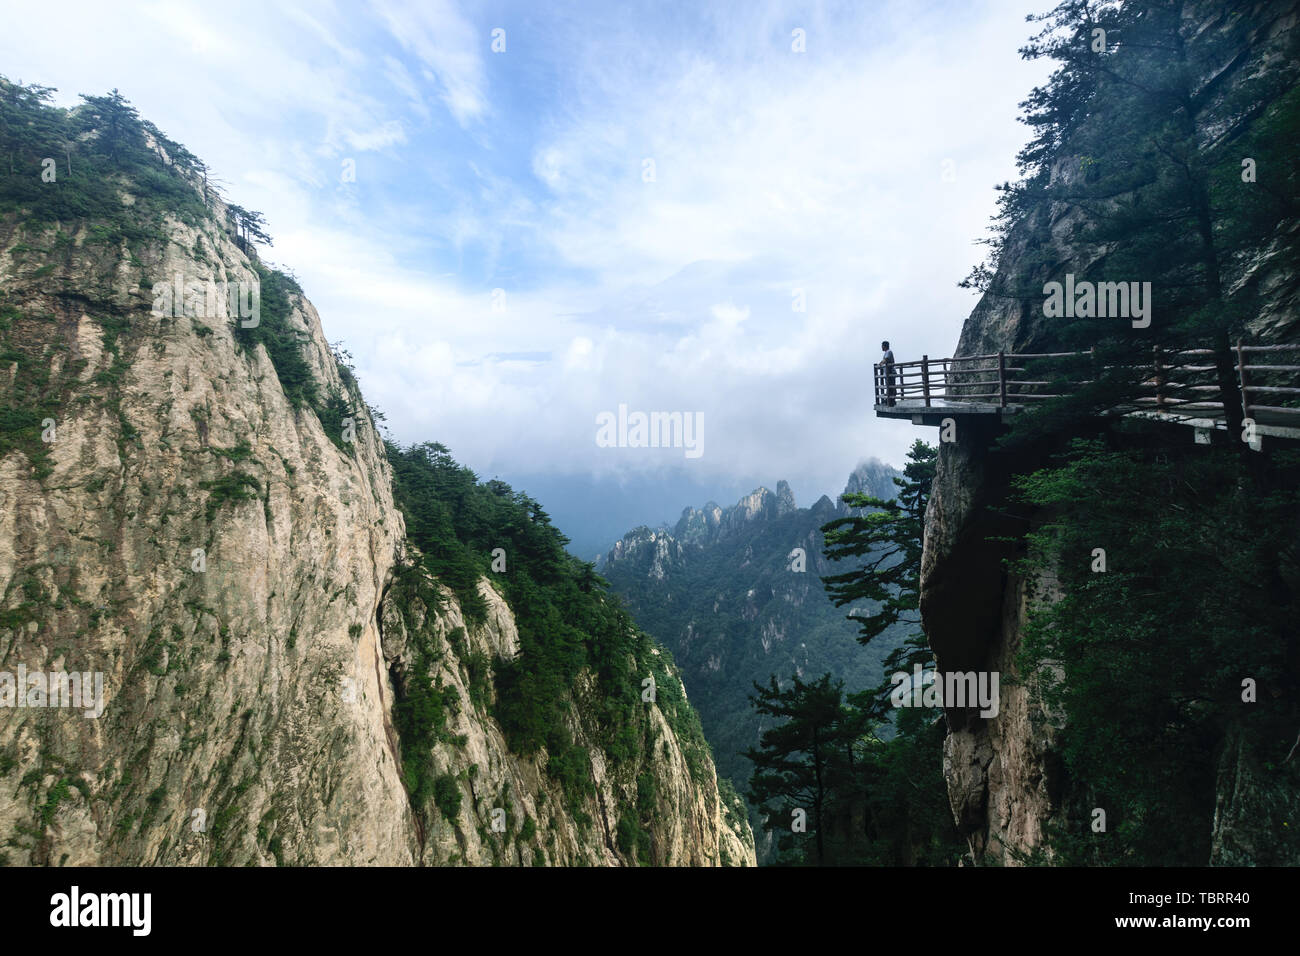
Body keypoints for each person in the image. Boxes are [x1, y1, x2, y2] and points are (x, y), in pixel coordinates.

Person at [881, 340, 896, 406]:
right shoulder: (887, 352)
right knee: (890, 387)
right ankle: (890, 401)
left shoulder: (889, 352)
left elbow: (886, 359)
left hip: (890, 373)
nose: (881, 347)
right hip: (888, 373)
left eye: (882, 346)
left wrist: (880, 363)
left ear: (885, 346)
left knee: (891, 387)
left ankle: (891, 401)